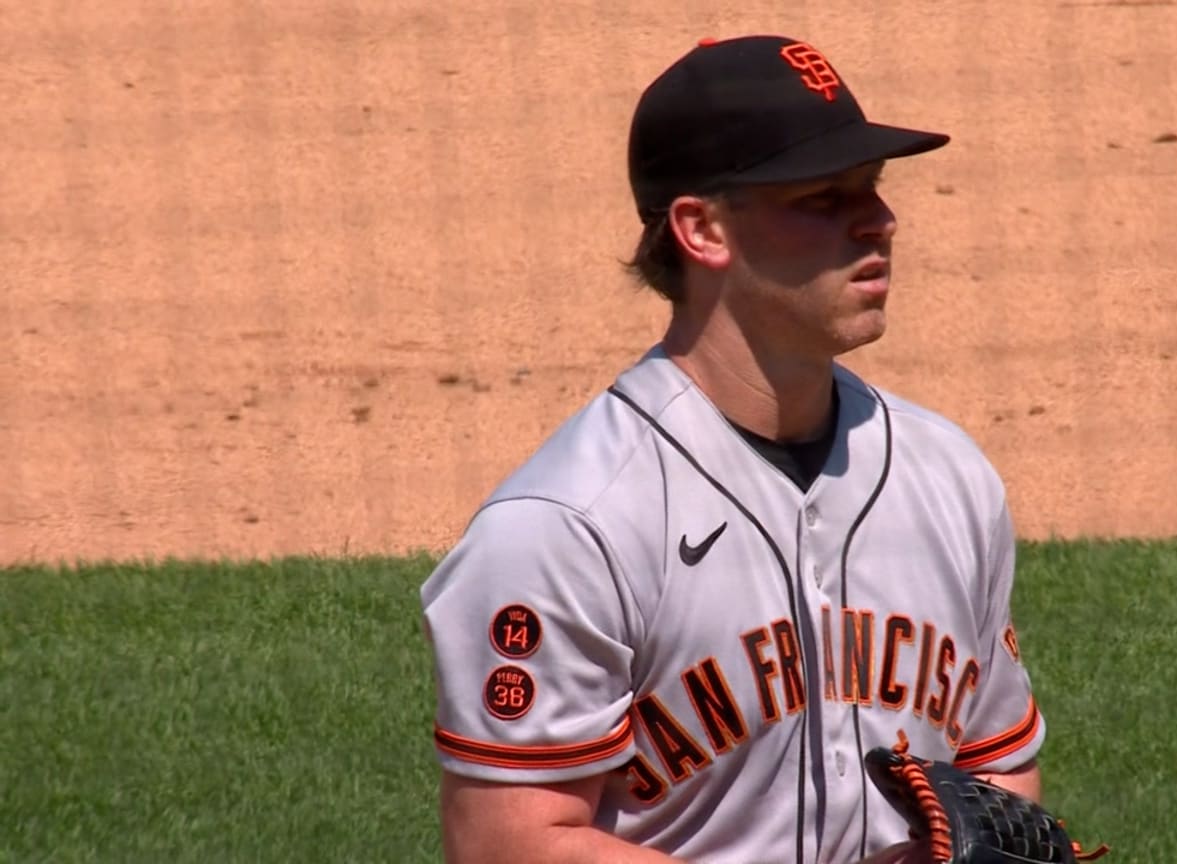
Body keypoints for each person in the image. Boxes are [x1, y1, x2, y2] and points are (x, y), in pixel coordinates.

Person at [418, 34, 1049, 864]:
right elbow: (510, 846)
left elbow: (995, 768)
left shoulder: (949, 477)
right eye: (824, 198)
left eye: (874, 188)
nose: (880, 221)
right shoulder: (569, 525)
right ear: (701, 228)